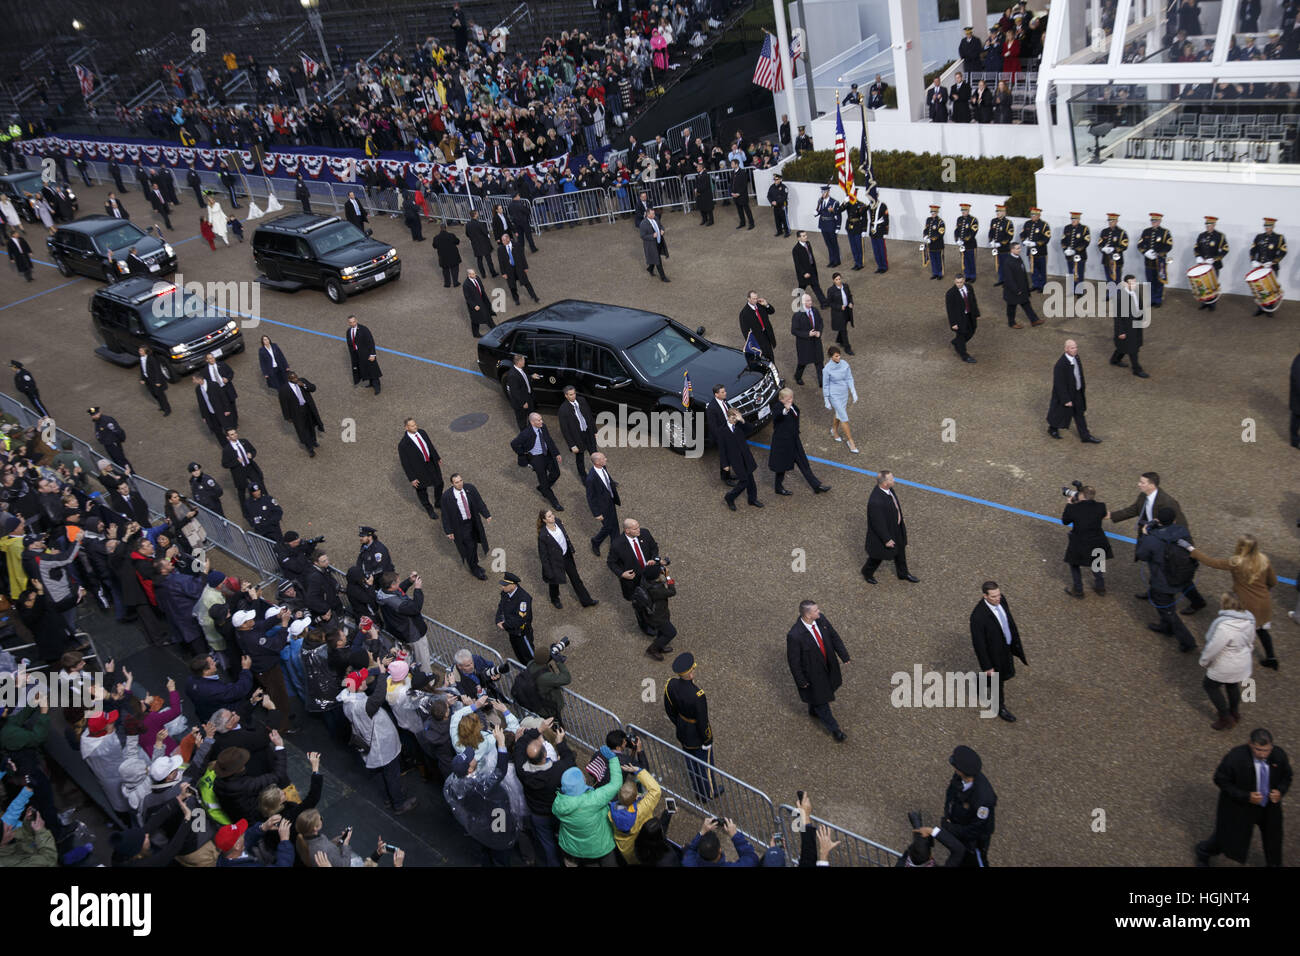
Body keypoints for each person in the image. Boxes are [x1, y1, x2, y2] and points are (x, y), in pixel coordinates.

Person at [1196, 728, 1291, 867]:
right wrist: (1246, 796)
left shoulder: (1278, 755)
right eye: (1259, 750)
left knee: (1274, 841)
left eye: (1267, 750)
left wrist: (1280, 792)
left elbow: (1287, 776)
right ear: (1250, 744)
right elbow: (1220, 779)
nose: (1263, 754)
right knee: (1226, 837)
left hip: (1269, 807)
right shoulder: (1235, 758)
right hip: (1240, 807)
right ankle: (1203, 852)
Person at [1186, 534, 1279, 670]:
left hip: (1246, 605)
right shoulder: (1264, 560)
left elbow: (1212, 562)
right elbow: (1273, 582)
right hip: (1264, 603)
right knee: (1262, 631)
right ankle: (1271, 658)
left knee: (1237, 633)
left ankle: (1232, 661)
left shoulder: (1236, 562)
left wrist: (1193, 551)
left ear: (1240, 547)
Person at [337, 669, 417, 814]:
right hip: (381, 744)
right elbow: (379, 696)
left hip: (370, 743)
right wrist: (381, 675)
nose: (366, 681)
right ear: (359, 686)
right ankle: (398, 803)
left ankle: (388, 796)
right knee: (392, 773)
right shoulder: (362, 706)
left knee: (379, 772)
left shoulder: (347, 699)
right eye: (363, 681)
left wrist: (379, 668)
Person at [1135, 505, 1199, 653]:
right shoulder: (1183, 532)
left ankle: (1187, 641)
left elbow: (1142, 555)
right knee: (1164, 605)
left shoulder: (1153, 539)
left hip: (1163, 581)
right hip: (1182, 575)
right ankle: (1165, 627)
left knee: (1168, 611)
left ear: (1158, 521)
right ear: (1174, 520)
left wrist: (1145, 535)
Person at [786, 600, 850, 741]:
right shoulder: (795, 636)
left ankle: (813, 708)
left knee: (821, 695)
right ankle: (835, 730)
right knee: (822, 700)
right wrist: (801, 681)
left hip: (828, 667)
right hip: (813, 675)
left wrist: (844, 655)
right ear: (808, 615)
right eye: (816, 611)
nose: (819, 612)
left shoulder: (822, 620)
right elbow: (794, 662)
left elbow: (834, 637)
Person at [664, 652, 722, 800]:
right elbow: (703, 721)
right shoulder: (698, 695)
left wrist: (680, 723)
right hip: (697, 736)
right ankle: (708, 793)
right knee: (705, 767)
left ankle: (698, 791)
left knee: (691, 764)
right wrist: (707, 740)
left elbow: (669, 709)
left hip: (683, 731)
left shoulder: (670, 684)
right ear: (690, 674)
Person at [552, 748, 623, 865]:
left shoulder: (559, 803)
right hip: (600, 846)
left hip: (575, 848)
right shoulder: (593, 799)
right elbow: (616, 784)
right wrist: (613, 759)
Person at [969, 581, 1026, 722]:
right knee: (998, 681)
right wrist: (987, 666)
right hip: (994, 653)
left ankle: (979, 681)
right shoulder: (978, 617)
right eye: (993, 596)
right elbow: (979, 645)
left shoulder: (1002, 600)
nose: (998, 598)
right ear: (985, 596)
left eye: (998, 594)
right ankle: (999, 707)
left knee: (1007, 673)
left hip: (1005, 646)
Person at [1198, 593, 1256, 730]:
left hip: (1225, 665)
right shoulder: (1249, 620)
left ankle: (1225, 717)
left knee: (1210, 686)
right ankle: (1234, 712)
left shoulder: (1225, 626)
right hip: (1242, 661)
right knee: (1232, 685)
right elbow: (1251, 641)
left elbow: (1214, 647)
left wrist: (1204, 661)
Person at [768, 387, 830, 496]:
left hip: (794, 440)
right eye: (788, 398)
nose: (791, 400)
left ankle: (816, 485)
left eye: (791, 397)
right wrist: (785, 410)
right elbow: (778, 416)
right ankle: (778, 487)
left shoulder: (792, 406)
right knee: (781, 467)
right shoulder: (778, 407)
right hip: (783, 444)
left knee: (803, 463)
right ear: (781, 399)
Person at [942, 745, 996, 866]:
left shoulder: (983, 799)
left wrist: (951, 828)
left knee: (975, 861)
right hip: (959, 826)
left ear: (962, 770)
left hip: (974, 841)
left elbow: (974, 830)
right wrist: (948, 815)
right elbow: (950, 795)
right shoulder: (960, 777)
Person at [862, 470, 919, 584]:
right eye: (891, 479)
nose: (894, 480)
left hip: (895, 528)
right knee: (878, 556)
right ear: (885, 483)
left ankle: (903, 573)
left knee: (900, 551)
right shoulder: (875, 501)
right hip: (887, 533)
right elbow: (877, 523)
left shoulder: (889, 490)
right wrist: (887, 539)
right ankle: (867, 572)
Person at [536, 508, 598, 611]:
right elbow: (543, 556)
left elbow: (565, 537)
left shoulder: (559, 522)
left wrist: (571, 549)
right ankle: (554, 599)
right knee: (554, 582)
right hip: (554, 561)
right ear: (544, 520)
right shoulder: (543, 536)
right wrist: (548, 571)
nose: (553, 517)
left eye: (552, 514)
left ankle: (586, 601)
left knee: (576, 579)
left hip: (566, 556)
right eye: (549, 516)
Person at [608, 518, 661, 635]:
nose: (639, 530)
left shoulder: (645, 533)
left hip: (648, 576)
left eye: (638, 526)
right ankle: (644, 626)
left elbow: (654, 547)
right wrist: (622, 574)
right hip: (633, 581)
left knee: (653, 599)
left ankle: (655, 620)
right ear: (627, 531)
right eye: (635, 528)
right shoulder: (617, 545)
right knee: (639, 606)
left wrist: (653, 558)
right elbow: (611, 562)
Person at [1061, 485, 1111, 597]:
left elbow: (1065, 521)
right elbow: (1102, 514)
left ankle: (1078, 589)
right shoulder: (1101, 506)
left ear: (1081, 495)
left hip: (1080, 541)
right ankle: (1100, 587)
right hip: (1098, 540)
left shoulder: (1073, 508)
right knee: (1097, 563)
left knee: (1074, 564)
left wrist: (1069, 504)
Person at [1047, 340, 1101, 443]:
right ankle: (1052, 428)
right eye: (1072, 348)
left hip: (1077, 392)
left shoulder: (1076, 357)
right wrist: (1066, 399)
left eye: (1076, 347)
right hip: (1067, 394)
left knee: (1079, 414)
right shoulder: (1060, 365)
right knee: (1060, 412)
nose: (1075, 349)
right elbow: (1059, 384)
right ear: (1066, 349)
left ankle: (1085, 436)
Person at [441, 473, 492, 581]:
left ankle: (475, 564)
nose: (460, 484)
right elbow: (445, 515)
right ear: (452, 484)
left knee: (474, 544)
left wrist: (486, 514)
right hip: (460, 526)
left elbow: (479, 502)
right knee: (469, 547)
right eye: (456, 482)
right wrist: (448, 530)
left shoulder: (470, 488)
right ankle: (474, 569)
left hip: (472, 522)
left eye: (460, 481)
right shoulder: (447, 496)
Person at [511, 412, 564, 510]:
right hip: (536, 458)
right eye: (538, 420)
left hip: (547, 454)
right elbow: (514, 443)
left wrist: (556, 453)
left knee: (556, 473)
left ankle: (543, 488)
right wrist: (522, 453)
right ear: (532, 422)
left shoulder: (543, 427)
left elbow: (549, 440)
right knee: (543, 479)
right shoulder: (526, 433)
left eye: (541, 419)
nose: (542, 422)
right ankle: (554, 502)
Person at [717, 407, 762, 511]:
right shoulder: (722, 431)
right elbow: (722, 449)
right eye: (733, 417)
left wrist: (742, 420)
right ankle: (730, 497)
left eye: (736, 417)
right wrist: (725, 464)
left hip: (746, 457)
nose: (735, 419)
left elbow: (752, 428)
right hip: (736, 460)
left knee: (751, 480)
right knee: (744, 481)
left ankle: (752, 499)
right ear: (727, 417)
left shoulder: (740, 425)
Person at [398, 418, 443, 519]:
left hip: (431, 463)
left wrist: (437, 457)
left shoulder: (422, 432)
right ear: (406, 428)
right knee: (422, 491)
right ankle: (429, 509)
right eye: (412, 426)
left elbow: (430, 446)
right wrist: (412, 478)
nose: (415, 427)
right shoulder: (403, 444)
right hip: (418, 470)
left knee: (439, 483)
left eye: (415, 424)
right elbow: (405, 463)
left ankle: (438, 502)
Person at [821, 347, 860, 453]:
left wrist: (853, 391)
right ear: (831, 357)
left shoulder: (845, 364)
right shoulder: (827, 369)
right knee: (844, 418)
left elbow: (849, 378)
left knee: (839, 413)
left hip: (844, 394)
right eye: (836, 356)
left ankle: (834, 430)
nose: (839, 358)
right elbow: (825, 385)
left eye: (839, 355)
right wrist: (826, 399)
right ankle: (851, 442)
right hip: (834, 395)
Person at [1109, 275, 1149, 378]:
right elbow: (1117, 317)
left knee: (1124, 345)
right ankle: (1137, 369)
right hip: (1127, 326)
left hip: (1136, 324)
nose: (1134, 285)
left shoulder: (1136, 292)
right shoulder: (1120, 297)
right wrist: (1120, 331)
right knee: (1133, 348)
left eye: (1135, 282)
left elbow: (1139, 305)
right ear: (1126, 284)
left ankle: (1115, 359)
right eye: (1132, 283)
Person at [682, 817, 759, 867]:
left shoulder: (688, 862)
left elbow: (690, 850)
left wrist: (702, 832)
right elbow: (752, 858)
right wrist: (735, 836)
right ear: (720, 850)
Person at [278, 372, 323, 457]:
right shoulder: (284, 390)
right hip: (296, 412)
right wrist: (287, 417)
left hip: (307, 408)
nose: (296, 379)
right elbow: (284, 404)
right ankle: (309, 448)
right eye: (293, 378)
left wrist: (304, 385)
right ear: (289, 379)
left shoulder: (302, 381)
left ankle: (313, 441)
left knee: (311, 425)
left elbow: (313, 388)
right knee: (302, 429)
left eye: (296, 377)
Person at [584, 451, 621, 556]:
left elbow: (607, 481)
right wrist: (597, 513)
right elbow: (590, 497)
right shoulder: (591, 478)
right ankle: (595, 541)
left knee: (615, 525)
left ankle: (617, 547)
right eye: (603, 458)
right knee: (608, 527)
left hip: (610, 502)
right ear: (597, 462)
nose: (606, 459)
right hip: (602, 507)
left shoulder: (603, 468)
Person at [221, 428, 264, 509]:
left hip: (250, 467)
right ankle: (245, 509)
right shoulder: (227, 450)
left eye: (235, 433)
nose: (235, 435)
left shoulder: (244, 441)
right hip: (239, 472)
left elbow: (253, 450)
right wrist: (236, 462)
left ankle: (265, 501)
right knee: (242, 490)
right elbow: (225, 464)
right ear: (228, 437)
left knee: (259, 484)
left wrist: (251, 454)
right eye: (232, 434)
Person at [1002, 242, 1043, 327]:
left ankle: (1034, 320)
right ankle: (1011, 323)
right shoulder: (1008, 262)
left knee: (1026, 304)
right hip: (1013, 291)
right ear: (1012, 250)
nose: (1019, 250)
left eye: (1019, 248)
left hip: (1022, 288)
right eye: (1017, 248)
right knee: (1011, 307)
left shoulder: (1018, 258)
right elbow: (1009, 279)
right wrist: (1016, 290)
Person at [1136, 212, 1173, 308]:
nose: (1153, 222)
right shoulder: (1146, 231)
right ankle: (1151, 299)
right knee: (1149, 280)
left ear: (1160, 221)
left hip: (1159, 262)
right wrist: (1145, 252)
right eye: (1152, 220)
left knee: (1159, 281)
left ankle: (1158, 299)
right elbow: (1140, 244)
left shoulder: (1165, 232)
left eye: (1155, 220)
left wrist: (1159, 254)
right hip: (1148, 261)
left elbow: (1169, 246)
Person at [791, 292, 825, 388]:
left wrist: (819, 332)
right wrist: (807, 334)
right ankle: (798, 376)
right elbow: (794, 331)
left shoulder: (815, 311)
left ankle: (822, 382)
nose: (811, 302)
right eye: (808, 301)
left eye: (810, 300)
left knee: (819, 362)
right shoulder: (797, 315)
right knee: (803, 363)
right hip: (804, 344)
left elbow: (820, 322)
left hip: (816, 342)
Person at [946, 274, 979, 364]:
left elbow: (973, 300)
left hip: (970, 315)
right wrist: (953, 323)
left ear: (964, 280)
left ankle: (957, 342)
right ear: (954, 282)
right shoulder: (950, 294)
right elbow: (950, 310)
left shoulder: (969, 287)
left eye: (960, 282)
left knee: (972, 330)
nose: (959, 284)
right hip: (959, 318)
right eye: (957, 282)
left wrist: (976, 313)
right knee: (961, 335)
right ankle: (964, 355)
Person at [497, 233, 539, 304]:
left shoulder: (516, 245)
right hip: (509, 270)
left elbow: (522, 256)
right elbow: (501, 262)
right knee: (512, 286)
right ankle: (516, 299)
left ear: (508, 239)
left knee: (526, 283)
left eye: (504, 240)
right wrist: (503, 273)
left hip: (519, 268)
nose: (502, 242)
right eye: (502, 240)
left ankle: (534, 297)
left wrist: (525, 267)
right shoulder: (500, 249)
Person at [345, 316, 381, 395]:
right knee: (364, 368)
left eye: (354, 321)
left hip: (366, 353)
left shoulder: (364, 329)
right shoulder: (348, 331)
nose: (353, 323)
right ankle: (370, 383)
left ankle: (377, 386)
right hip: (357, 354)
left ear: (356, 321)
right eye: (350, 322)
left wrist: (372, 354)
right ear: (349, 323)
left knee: (372, 370)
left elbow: (371, 342)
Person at [504, 353, 541, 430]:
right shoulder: (512, 375)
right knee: (522, 421)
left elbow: (523, 379)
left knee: (532, 416)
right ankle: (525, 436)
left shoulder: (520, 370)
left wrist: (531, 376)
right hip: (521, 403)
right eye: (523, 360)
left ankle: (533, 431)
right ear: (519, 362)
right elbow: (515, 392)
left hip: (528, 398)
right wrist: (523, 403)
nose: (525, 362)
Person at [739, 291, 777, 362]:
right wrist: (753, 345)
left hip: (767, 334)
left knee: (771, 356)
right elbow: (745, 332)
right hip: (758, 340)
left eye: (756, 298)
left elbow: (772, 311)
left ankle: (773, 369)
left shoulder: (760, 305)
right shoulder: (744, 314)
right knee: (762, 359)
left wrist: (767, 304)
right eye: (753, 299)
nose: (755, 300)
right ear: (748, 299)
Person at [1019, 209, 1050, 291]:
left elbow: (1046, 238)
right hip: (1030, 251)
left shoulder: (1044, 225)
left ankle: (1042, 286)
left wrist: (1036, 243)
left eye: (1034, 215)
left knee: (1042, 270)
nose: (1032, 216)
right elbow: (1022, 234)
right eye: (1031, 215)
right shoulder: (1027, 223)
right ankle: (1035, 284)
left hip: (1041, 251)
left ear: (1039, 215)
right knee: (1033, 268)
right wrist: (1024, 240)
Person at [792, 231, 826, 306]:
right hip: (804, 272)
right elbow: (797, 264)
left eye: (805, 235)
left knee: (816, 286)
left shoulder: (808, 243)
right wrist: (803, 273)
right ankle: (799, 298)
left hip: (811, 269)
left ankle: (824, 302)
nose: (806, 237)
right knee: (802, 286)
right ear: (798, 238)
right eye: (803, 236)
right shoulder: (796, 249)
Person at [135, 347, 172, 416]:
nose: (139, 352)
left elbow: (157, 370)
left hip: (155, 380)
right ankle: (162, 407)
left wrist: (158, 381)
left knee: (161, 395)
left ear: (145, 352)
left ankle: (167, 409)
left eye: (141, 350)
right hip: (148, 380)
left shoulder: (151, 359)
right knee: (154, 394)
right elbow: (142, 370)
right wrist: (143, 379)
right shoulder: (141, 359)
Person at [462, 268, 497, 337]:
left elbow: (481, 288)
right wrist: (474, 305)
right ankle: (476, 333)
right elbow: (467, 298)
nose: (475, 275)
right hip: (475, 304)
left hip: (482, 300)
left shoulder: (477, 278)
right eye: (473, 274)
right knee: (475, 319)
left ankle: (494, 328)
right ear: (469, 275)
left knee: (487, 315)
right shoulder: (466, 285)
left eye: (475, 273)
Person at [639, 207, 670, 282]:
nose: (654, 215)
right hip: (651, 245)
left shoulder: (655, 218)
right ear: (648, 214)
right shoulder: (643, 224)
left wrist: (662, 230)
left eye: (654, 213)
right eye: (652, 214)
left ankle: (650, 268)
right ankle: (663, 277)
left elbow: (661, 226)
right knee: (658, 260)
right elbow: (643, 236)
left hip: (659, 242)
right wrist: (652, 236)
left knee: (655, 257)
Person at [465, 210, 499, 277]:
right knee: (488, 260)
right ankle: (493, 273)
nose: (478, 214)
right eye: (477, 213)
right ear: (475, 215)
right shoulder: (479, 224)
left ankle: (483, 274)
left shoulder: (468, 224)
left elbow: (467, 234)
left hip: (475, 245)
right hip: (484, 244)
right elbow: (485, 232)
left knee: (479, 260)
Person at [827, 272, 855, 355]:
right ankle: (847, 347)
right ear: (833, 280)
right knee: (844, 330)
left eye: (839, 279)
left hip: (847, 310)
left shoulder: (845, 286)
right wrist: (839, 307)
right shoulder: (831, 290)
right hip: (838, 313)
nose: (838, 281)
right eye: (836, 280)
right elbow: (829, 303)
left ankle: (839, 340)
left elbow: (850, 296)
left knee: (843, 326)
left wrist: (851, 303)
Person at [815, 185, 841, 266]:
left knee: (834, 244)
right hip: (823, 225)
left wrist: (838, 227)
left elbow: (838, 215)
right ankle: (831, 260)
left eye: (825, 192)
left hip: (831, 225)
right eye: (822, 192)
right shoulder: (820, 200)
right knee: (828, 244)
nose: (823, 193)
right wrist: (816, 213)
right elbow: (820, 210)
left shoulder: (834, 202)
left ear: (828, 192)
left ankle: (837, 261)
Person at [922, 204, 945, 279]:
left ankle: (940, 273)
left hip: (938, 244)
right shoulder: (928, 220)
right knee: (933, 259)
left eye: (934, 212)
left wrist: (931, 239)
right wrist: (925, 236)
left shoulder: (940, 222)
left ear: (937, 212)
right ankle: (935, 273)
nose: (932, 213)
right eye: (931, 212)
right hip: (930, 245)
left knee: (939, 259)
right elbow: (926, 229)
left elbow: (940, 233)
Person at [692, 159, 714, 226]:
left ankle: (711, 220)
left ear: (701, 168)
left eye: (698, 167)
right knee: (701, 207)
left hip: (706, 194)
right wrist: (696, 189)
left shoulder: (705, 175)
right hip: (700, 194)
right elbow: (697, 183)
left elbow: (704, 185)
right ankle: (704, 219)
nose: (697, 168)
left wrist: (697, 190)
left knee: (708, 208)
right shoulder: (698, 174)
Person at [869, 200, 890, 273]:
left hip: (880, 230)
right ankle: (879, 266)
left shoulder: (882, 205)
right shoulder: (870, 205)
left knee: (882, 250)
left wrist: (885, 232)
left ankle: (884, 266)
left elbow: (886, 219)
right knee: (875, 250)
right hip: (873, 230)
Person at [767, 172, 789, 237]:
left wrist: (777, 202)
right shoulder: (772, 187)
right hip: (775, 206)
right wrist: (772, 202)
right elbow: (768, 195)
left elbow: (784, 197)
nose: (775, 181)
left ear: (780, 179)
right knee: (777, 219)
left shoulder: (784, 187)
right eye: (774, 179)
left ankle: (787, 232)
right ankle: (779, 231)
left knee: (784, 219)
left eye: (776, 179)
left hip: (782, 206)